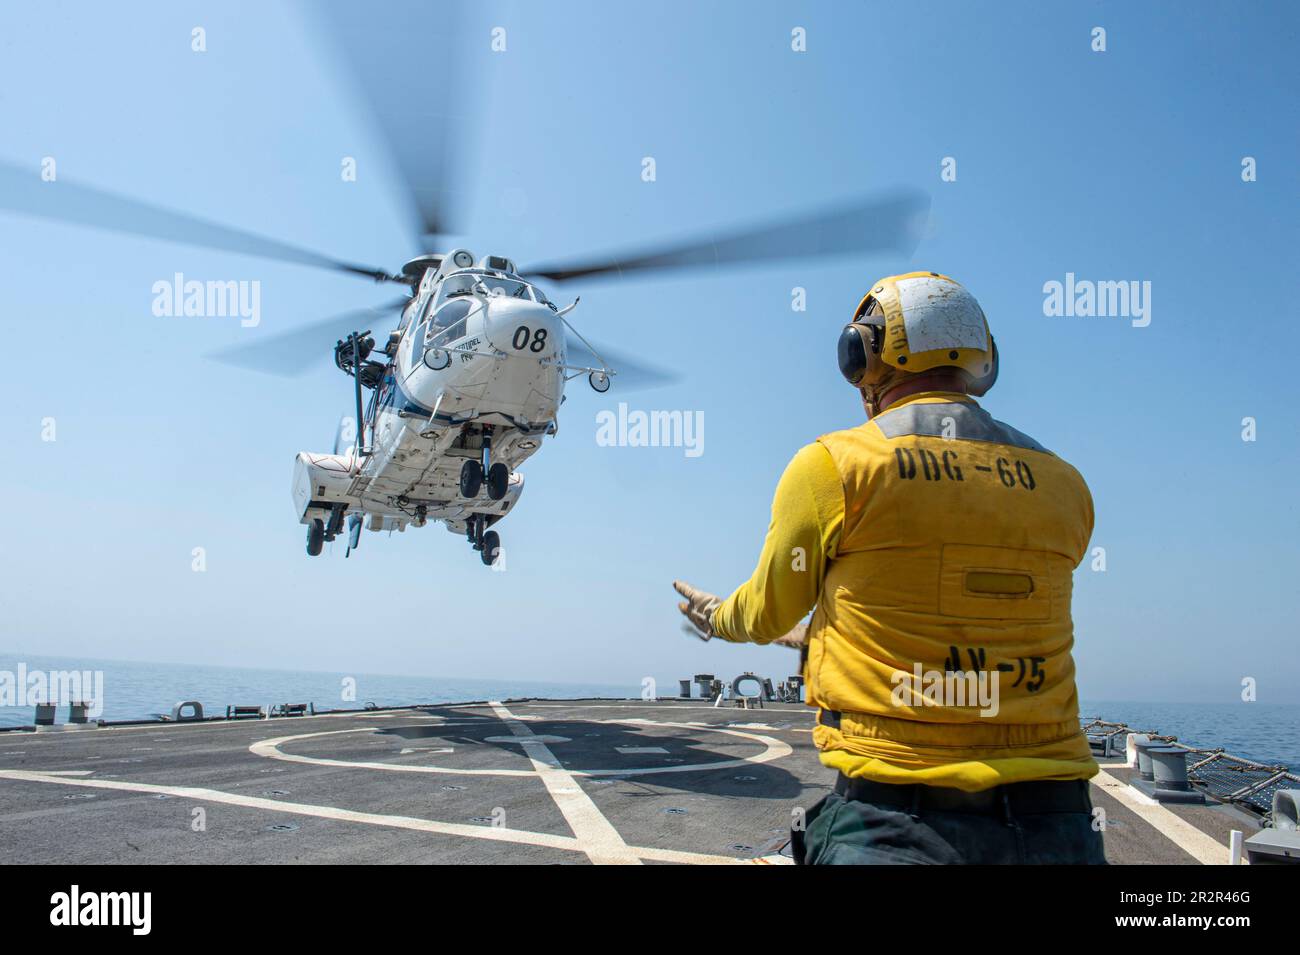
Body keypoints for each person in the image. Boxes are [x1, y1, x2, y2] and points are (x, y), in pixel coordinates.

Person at [674, 271, 1104, 865]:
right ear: (986, 359)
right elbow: (958, 606)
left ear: (863, 355)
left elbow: (767, 609)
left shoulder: (836, 467)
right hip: (1058, 822)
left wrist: (716, 616)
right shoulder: (1063, 484)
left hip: (896, 818)